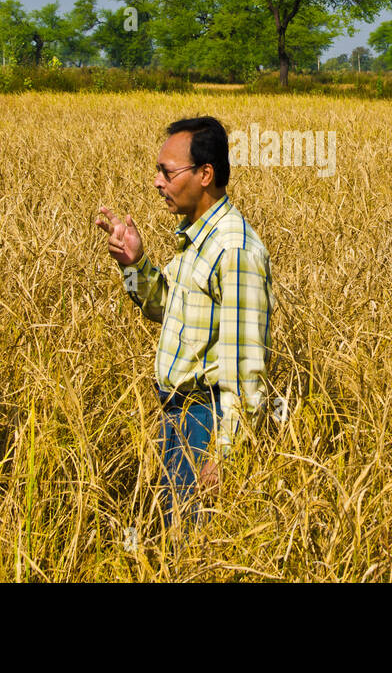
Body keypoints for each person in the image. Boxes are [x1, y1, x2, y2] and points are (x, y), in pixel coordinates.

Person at [96, 116, 276, 528]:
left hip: (206, 424)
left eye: (167, 171)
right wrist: (135, 264)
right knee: (171, 538)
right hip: (177, 417)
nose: (157, 181)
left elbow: (247, 370)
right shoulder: (197, 238)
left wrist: (223, 457)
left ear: (205, 174)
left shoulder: (234, 250)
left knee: (193, 545)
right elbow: (167, 308)